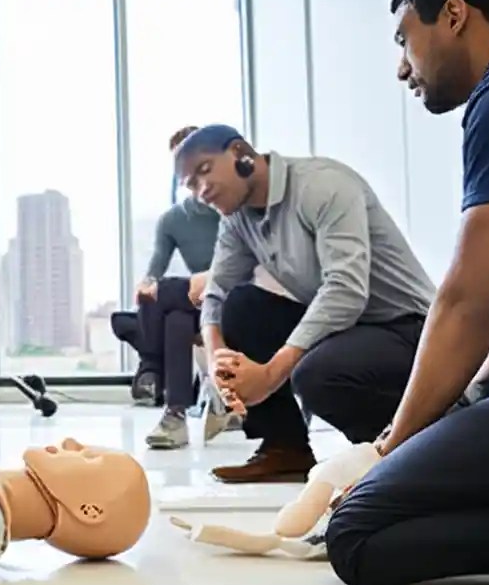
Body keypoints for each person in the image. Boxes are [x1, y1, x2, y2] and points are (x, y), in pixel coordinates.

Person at [327, 0, 489, 585]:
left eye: (406, 39)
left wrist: (390, 448)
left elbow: (466, 301)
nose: (404, 68)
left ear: (454, 15)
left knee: (356, 533)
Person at [176, 124, 435, 483]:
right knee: (243, 306)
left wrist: (270, 373)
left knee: (316, 373)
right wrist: (220, 364)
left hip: (411, 329)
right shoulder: (236, 219)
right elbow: (217, 294)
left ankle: (396, 456)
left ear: (240, 153)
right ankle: (286, 450)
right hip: (350, 329)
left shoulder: (322, 186)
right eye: (190, 185)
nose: (201, 191)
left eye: (204, 170)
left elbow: (346, 289)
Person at [114, 125, 240, 450]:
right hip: (198, 303)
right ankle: (176, 415)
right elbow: (154, 269)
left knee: (167, 295)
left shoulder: (233, 207)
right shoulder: (172, 220)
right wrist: (146, 284)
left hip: (240, 300)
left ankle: (151, 367)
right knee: (173, 317)